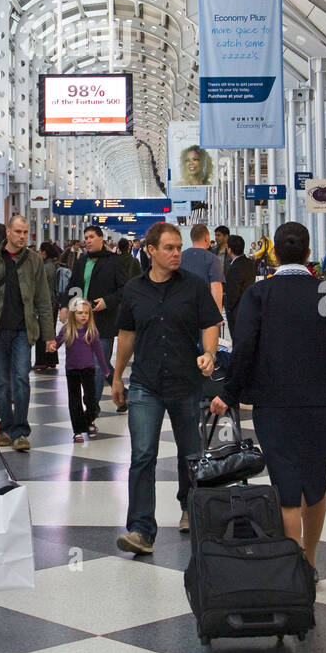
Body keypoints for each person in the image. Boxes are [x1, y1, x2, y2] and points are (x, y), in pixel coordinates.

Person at [211, 221, 326, 579]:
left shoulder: (260, 295)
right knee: (315, 483)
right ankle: (309, 560)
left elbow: (244, 352)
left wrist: (227, 393)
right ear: (308, 254)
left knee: (286, 487)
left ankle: (295, 571)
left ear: (274, 253)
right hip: (324, 405)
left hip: (274, 405)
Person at [112, 222, 219, 552]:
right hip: (145, 382)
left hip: (186, 381)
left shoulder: (194, 287)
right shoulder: (134, 289)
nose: (176, 254)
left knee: (191, 454)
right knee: (143, 456)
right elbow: (127, 334)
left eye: (178, 248)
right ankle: (141, 530)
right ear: (151, 251)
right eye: (169, 248)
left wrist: (210, 353)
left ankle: (191, 508)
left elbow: (210, 323)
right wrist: (117, 376)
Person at [0, 214, 56, 451]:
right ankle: (6, 426)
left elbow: (43, 298)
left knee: (21, 379)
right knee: (1, 382)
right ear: (8, 232)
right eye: (18, 232)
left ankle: (20, 430)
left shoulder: (33, 261)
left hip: (23, 329)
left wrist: (49, 336)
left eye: (25, 232)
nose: (22, 237)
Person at [66, 225, 126, 414]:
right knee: (100, 363)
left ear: (102, 239)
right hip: (83, 320)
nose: (88, 240)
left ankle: (92, 407)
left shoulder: (115, 262)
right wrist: (65, 305)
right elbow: (73, 285)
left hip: (104, 320)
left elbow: (124, 289)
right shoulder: (82, 262)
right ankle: (124, 395)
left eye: (92, 236)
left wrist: (107, 301)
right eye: (86, 237)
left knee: (98, 364)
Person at [55, 297, 112, 442]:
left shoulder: (91, 331)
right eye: (80, 313)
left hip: (88, 370)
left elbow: (99, 352)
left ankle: (89, 421)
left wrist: (105, 370)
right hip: (72, 370)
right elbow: (57, 343)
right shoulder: (67, 329)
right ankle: (78, 430)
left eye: (86, 313)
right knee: (74, 401)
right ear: (73, 314)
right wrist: (50, 346)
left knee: (91, 399)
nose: (83, 316)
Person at [179, 223, 225, 317]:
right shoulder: (212, 259)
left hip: (183, 310)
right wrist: (217, 315)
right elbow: (215, 286)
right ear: (206, 239)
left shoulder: (180, 257)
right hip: (205, 312)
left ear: (192, 238)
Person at [34, 241, 62, 372]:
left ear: (44, 252)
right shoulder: (52, 265)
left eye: (40, 251)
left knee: (43, 332)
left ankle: (42, 360)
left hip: (47, 303)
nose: (39, 253)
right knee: (50, 331)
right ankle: (51, 359)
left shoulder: (45, 267)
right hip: (54, 302)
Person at [223, 233, 256, 340]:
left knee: (236, 340)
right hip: (248, 307)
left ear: (229, 249)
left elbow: (233, 292)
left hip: (236, 311)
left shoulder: (234, 268)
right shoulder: (249, 263)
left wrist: (228, 308)